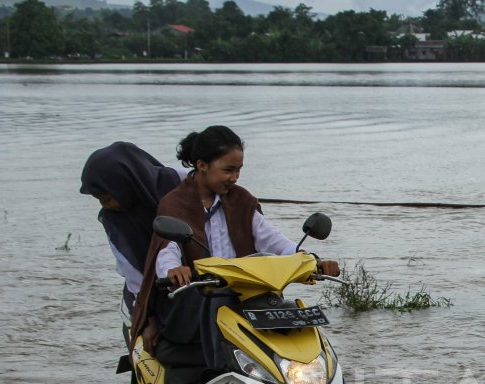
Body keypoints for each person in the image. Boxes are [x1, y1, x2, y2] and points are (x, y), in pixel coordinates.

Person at [131, 125, 338, 368]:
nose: (234, 177)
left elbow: (271, 239)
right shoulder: (175, 203)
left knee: (284, 307)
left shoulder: (241, 200)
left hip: (242, 292)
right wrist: (173, 270)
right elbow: (168, 248)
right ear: (202, 165)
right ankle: (223, 372)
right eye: (228, 170)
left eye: (238, 170)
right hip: (194, 298)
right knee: (217, 303)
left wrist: (310, 260)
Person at [79, 142, 183, 345]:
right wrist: (148, 318)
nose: (105, 206)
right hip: (150, 289)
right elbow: (134, 272)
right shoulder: (115, 222)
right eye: (99, 200)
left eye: (106, 198)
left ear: (125, 184)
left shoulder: (176, 181)